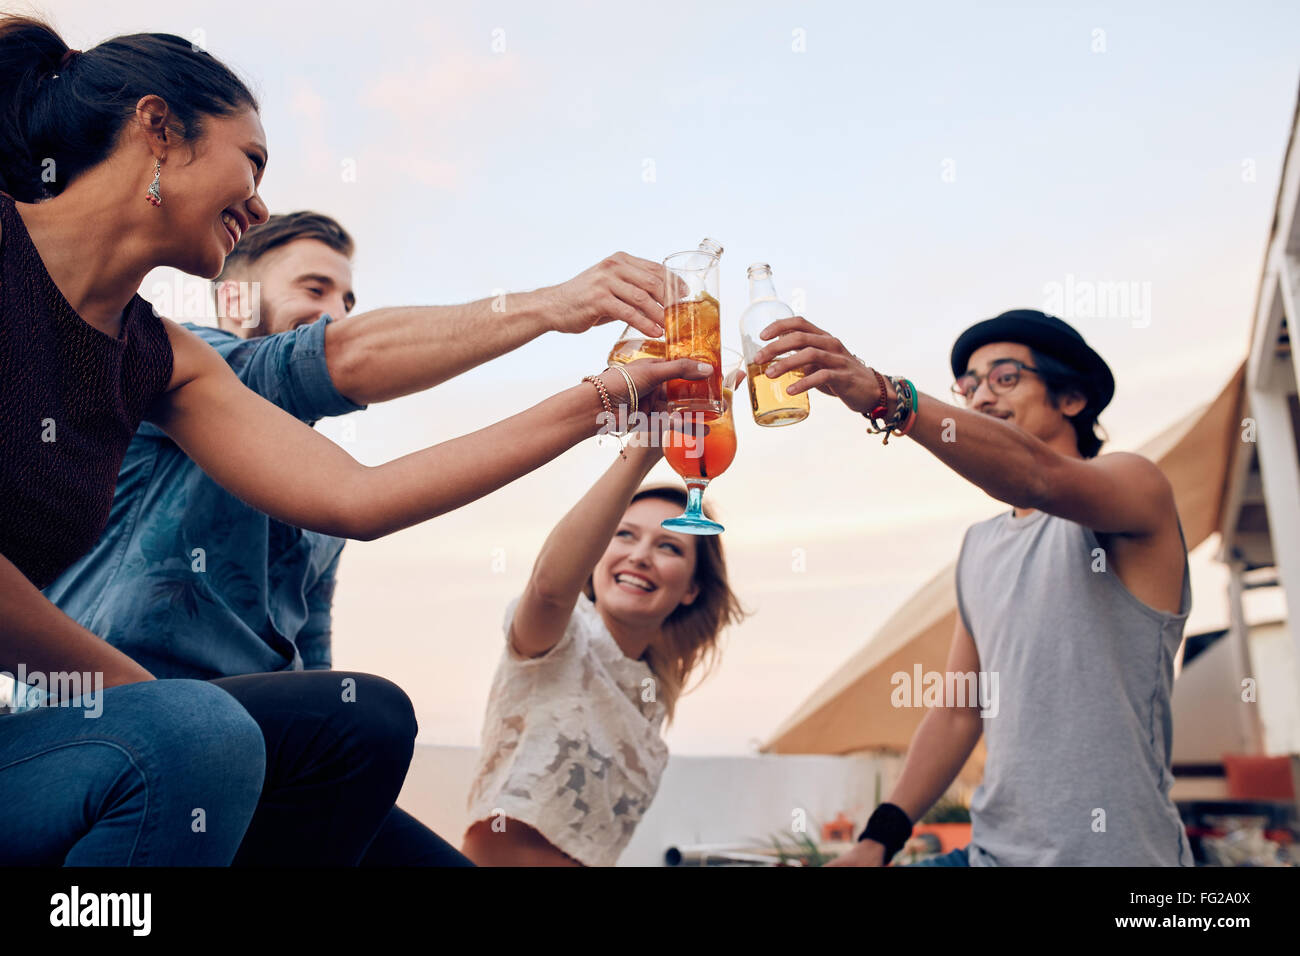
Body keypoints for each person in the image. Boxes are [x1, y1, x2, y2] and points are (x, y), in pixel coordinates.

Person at [0, 15, 708, 865]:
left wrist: (607, 401)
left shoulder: (161, 359)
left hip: (173, 728)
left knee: (361, 723)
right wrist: (553, 305)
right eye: (251, 160)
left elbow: (361, 498)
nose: (259, 201)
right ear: (157, 127)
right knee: (201, 731)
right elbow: (341, 358)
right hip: (123, 719)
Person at [750, 309, 1193, 867]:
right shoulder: (981, 547)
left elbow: (1039, 475)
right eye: (968, 385)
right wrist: (876, 841)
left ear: (1072, 399)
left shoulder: (1136, 487)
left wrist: (888, 397)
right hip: (988, 855)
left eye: (1006, 378)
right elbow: (959, 711)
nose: (981, 396)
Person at [461, 423, 747, 866]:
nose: (640, 555)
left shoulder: (650, 692)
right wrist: (648, 445)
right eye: (624, 534)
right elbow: (549, 588)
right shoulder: (563, 632)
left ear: (692, 588)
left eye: (669, 546)